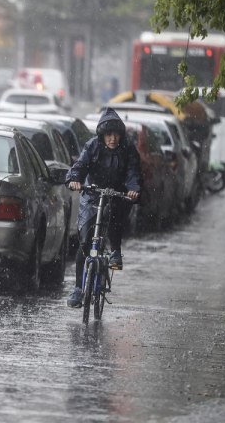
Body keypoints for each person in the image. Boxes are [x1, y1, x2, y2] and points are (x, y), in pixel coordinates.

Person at [65, 108, 142, 308]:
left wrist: (133, 190)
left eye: (116, 134)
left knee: (116, 218)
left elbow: (133, 173)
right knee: (85, 241)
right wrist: (75, 180)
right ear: (102, 135)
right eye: (109, 134)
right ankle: (79, 289)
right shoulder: (92, 146)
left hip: (117, 195)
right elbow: (80, 167)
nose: (113, 139)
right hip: (92, 195)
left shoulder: (128, 150)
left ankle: (116, 251)